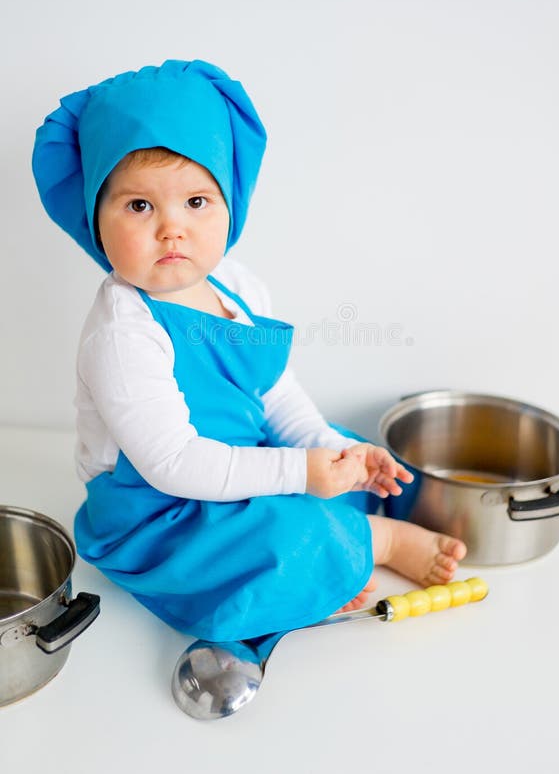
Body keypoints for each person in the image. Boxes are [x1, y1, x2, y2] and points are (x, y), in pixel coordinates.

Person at [32, 59, 466, 643]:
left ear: (229, 202)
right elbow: (176, 464)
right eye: (140, 206)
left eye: (196, 201)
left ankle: (338, 541)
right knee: (281, 535)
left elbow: (274, 393)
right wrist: (298, 474)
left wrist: (331, 450)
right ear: (95, 220)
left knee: (340, 456)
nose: (171, 229)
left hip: (233, 461)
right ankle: (379, 543)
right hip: (159, 510)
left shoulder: (235, 286)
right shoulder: (122, 334)